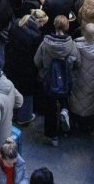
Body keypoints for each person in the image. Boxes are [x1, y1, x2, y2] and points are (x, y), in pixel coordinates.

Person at [34, 15, 78, 146]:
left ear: (54, 25)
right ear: (67, 27)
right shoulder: (71, 44)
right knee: (65, 99)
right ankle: (65, 114)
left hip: (48, 79)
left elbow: (37, 61)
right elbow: (77, 61)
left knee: (50, 107)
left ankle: (53, 136)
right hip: (65, 80)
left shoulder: (45, 43)